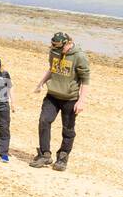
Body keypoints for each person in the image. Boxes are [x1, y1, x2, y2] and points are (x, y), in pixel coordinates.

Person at [30, 32, 90, 171]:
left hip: (70, 99)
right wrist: (40, 84)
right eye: (54, 47)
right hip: (52, 96)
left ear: (68, 43)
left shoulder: (79, 56)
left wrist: (81, 101)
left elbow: (85, 80)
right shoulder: (54, 51)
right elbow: (52, 69)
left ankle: (62, 157)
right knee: (44, 121)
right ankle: (45, 155)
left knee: (68, 129)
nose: (56, 49)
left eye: (59, 47)